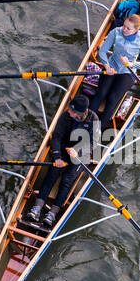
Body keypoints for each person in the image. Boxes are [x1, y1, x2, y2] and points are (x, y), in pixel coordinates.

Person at [26, 89, 100, 229]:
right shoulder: (65, 116)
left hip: (81, 154)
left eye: (72, 111)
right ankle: (36, 209)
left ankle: (52, 215)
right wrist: (57, 157)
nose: (68, 111)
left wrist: (77, 151)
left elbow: (93, 143)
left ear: (79, 113)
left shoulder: (94, 119)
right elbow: (57, 136)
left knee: (67, 180)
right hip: (64, 149)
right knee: (52, 173)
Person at [89, 12, 140, 118]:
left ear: (136, 30)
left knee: (112, 99)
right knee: (101, 93)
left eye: (128, 29)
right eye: (124, 26)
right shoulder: (116, 32)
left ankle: (98, 130)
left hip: (127, 72)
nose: (124, 30)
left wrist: (130, 64)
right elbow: (102, 52)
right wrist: (107, 66)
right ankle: (87, 121)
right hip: (112, 66)